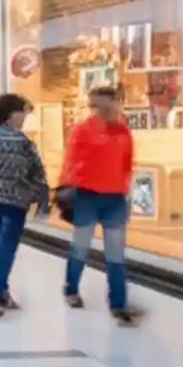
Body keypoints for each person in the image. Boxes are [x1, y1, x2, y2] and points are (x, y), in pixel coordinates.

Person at [60, 86, 145, 326]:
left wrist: (126, 192)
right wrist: (67, 189)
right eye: (97, 106)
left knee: (115, 254)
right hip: (87, 196)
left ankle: (118, 303)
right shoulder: (83, 130)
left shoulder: (123, 132)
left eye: (108, 104)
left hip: (115, 198)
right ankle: (71, 289)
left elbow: (127, 164)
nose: (103, 110)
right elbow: (71, 163)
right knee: (81, 246)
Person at [0, 94, 49, 318]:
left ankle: (2, 291)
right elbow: (37, 173)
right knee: (7, 247)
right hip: (14, 201)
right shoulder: (22, 142)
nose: (25, 117)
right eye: (23, 112)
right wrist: (42, 199)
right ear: (11, 114)